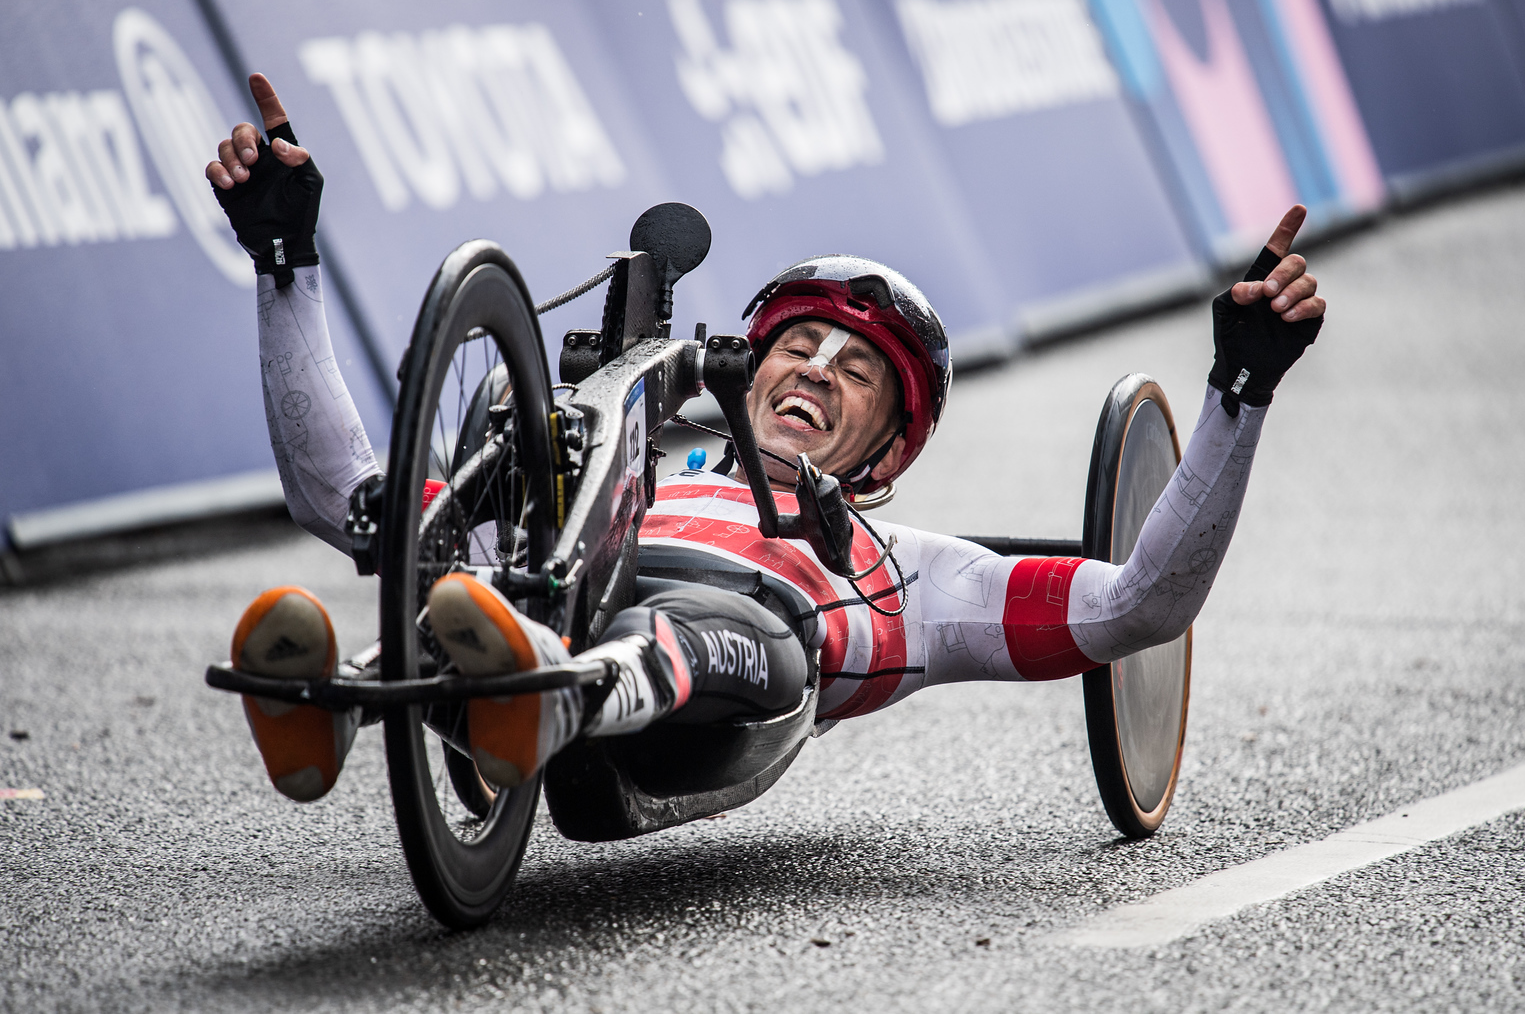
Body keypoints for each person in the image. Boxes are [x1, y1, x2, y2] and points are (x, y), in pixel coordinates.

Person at [209, 76, 1326, 802]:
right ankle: (332, 703)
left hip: (730, 681)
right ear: (745, 367)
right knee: (434, 524)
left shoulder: (917, 572)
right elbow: (344, 495)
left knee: (763, 625)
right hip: (547, 593)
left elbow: (1136, 603)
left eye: (858, 375)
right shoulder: (617, 453)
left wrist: (1239, 387)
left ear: (886, 454)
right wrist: (283, 265)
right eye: (798, 348)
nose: (816, 373)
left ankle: (549, 693)